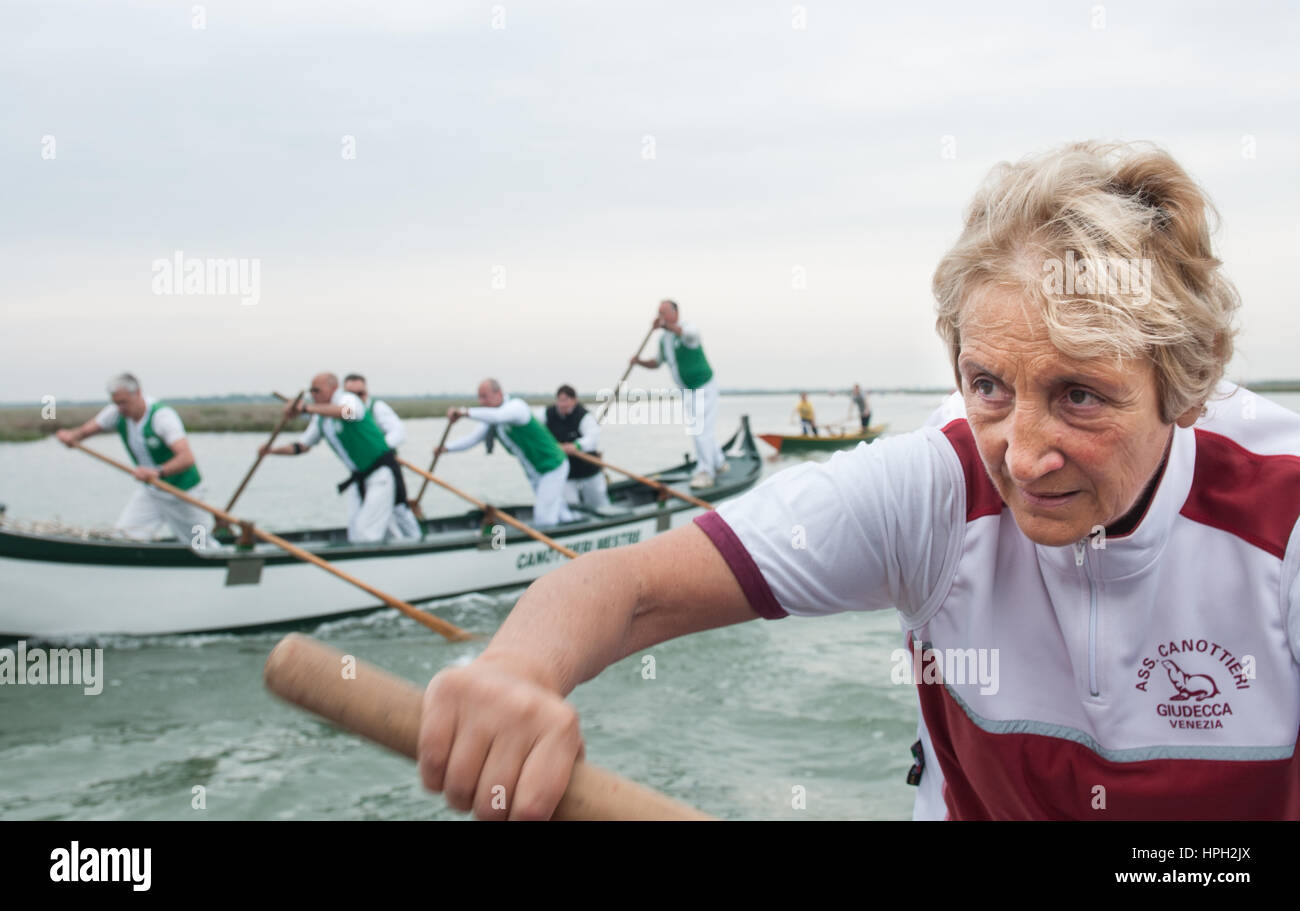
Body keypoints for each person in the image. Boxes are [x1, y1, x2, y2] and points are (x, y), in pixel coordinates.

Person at [413, 141, 1300, 822]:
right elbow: (629, 586)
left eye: (1079, 395)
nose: (1023, 455)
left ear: (1183, 386)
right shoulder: (932, 489)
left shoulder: (1282, 513)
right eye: (989, 385)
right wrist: (517, 671)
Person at [55, 373, 214, 547]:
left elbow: (186, 457)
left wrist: (157, 472)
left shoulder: (162, 417)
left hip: (183, 492)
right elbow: (86, 430)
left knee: (201, 545)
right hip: (151, 492)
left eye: (123, 402)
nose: (120, 408)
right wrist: (71, 436)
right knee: (124, 538)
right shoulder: (116, 412)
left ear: (137, 393)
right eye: (116, 403)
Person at [260, 372, 416, 544]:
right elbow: (302, 446)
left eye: (317, 390)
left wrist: (306, 409)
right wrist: (271, 451)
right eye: (311, 391)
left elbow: (349, 413)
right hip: (360, 478)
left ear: (333, 387)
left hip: (381, 473)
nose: (313, 395)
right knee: (355, 530)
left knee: (368, 530)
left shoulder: (347, 400)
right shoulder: (321, 418)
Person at [438, 379, 578, 528]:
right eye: (479, 397)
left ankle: (548, 545)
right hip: (535, 471)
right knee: (557, 508)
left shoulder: (516, 407)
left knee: (544, 518)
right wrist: (446, 448)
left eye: (484, 396)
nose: (481, 401)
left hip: (553, 466)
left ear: (498, 394)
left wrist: (464, 412)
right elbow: (473, 439)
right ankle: (571, 527)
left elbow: (498, 416)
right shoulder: (490, 419)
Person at [629, 299, 727, 489]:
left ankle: (705, 472)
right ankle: (719, 462)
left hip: (703, 386)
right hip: (687, 391)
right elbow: (656, 363)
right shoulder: (663, 340)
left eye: (663, 313)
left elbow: (689, 335)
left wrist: (666, 325)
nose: (660, 317)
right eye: (659, 313)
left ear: (675, 313)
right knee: (701, 428)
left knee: (700, 430)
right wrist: (638, 361)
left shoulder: (687, 328)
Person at [343, 373, 421, 540]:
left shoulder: (377, 408)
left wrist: (376, 450)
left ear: (367, 392)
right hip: (363, 473)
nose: (356, 398)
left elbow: (399, 432)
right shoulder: (347, 411)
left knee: (398, 508)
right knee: (364, 512)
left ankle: (416, 539)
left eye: (360, 394)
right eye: (351, 395)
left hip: (385, 467)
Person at [545, 385, 611, 511]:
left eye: (565, 400)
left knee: (598, 502)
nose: (562, 404)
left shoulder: (584, 416)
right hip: (565, 472)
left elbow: (592, 438)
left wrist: (576, 446)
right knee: (571, 505)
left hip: (588, 468)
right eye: (560, 400)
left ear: (574, 400)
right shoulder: (548, 414)